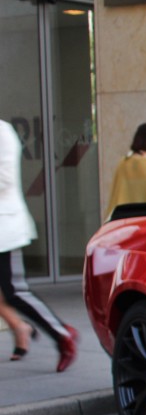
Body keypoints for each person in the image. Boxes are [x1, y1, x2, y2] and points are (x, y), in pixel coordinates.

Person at [0, 118, 77, 371]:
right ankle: (25, 329)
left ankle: (62, 334)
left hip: (5, 227)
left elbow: (4, 180)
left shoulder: (2, 132)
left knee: (15, 291)